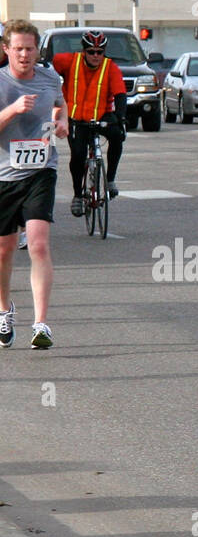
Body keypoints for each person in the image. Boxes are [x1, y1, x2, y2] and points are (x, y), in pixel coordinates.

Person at [0, 19, 68, 350]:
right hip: (3, 175)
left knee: (39, 244)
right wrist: (12, 110)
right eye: (19, 49)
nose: (25, 55)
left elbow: (59, 102)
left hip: (41, 168)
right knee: (3, 250)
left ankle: (41, 323)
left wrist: (62, 121)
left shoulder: (48, 76)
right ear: (7, 50)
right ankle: (4, 311)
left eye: (30, 49)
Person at [52, 31, 126, 215]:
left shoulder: (111, 67)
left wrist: (121, 118)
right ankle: (78, 195)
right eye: (91, 51)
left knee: (117, 136)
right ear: (84, 51)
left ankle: (110, 180)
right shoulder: (69, 61)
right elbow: (48, 67)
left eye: (100, 52)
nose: (96, 56)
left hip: (102, 115)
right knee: (77, 155)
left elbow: (120, 94)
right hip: (76, 118)